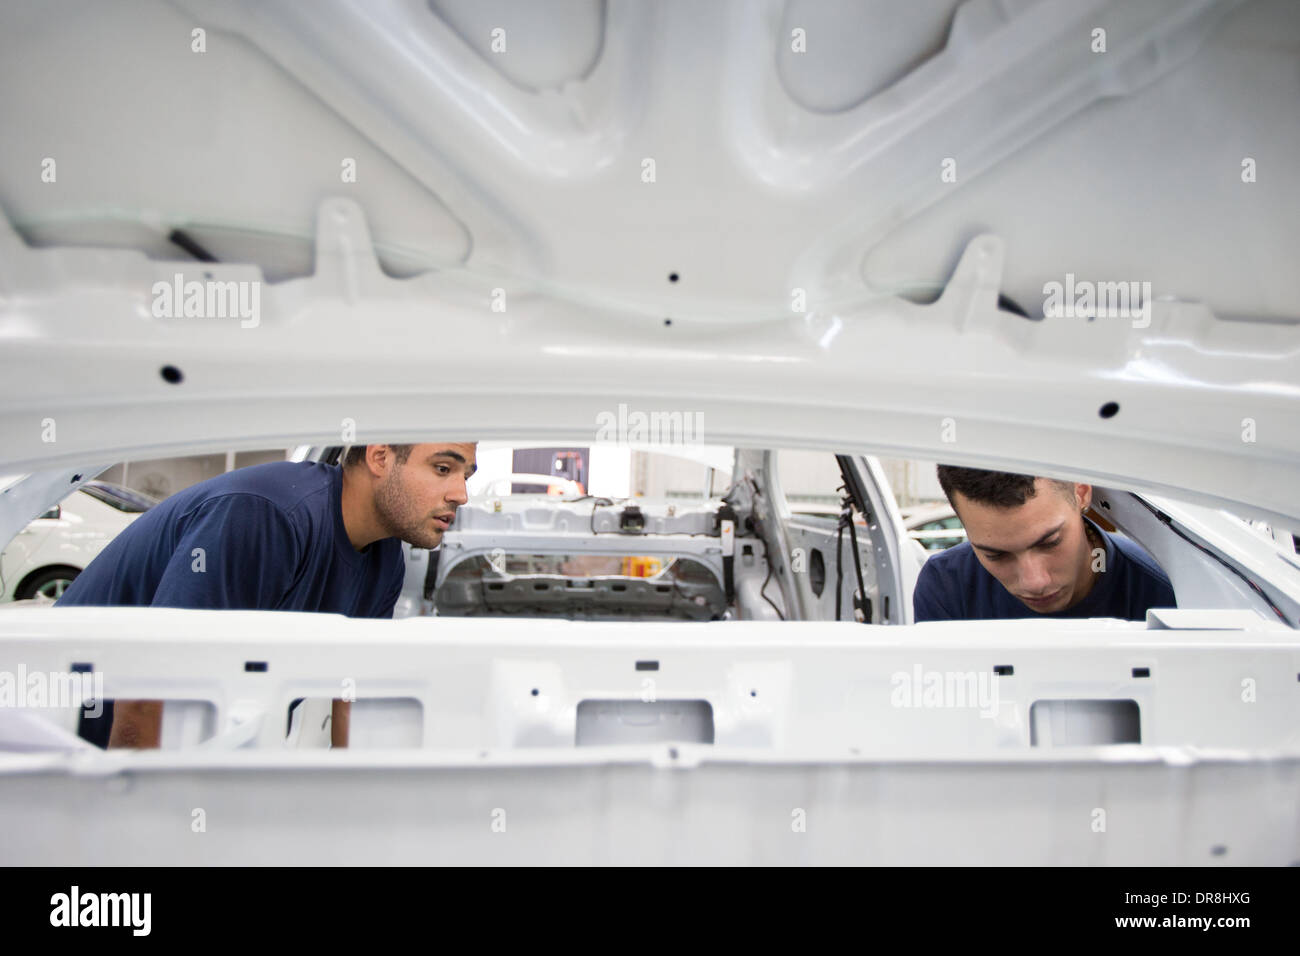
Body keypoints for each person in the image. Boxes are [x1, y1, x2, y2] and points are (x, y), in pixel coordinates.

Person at [56, 442, 477, 748]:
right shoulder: (263, 514)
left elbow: (350, 691)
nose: (461, 493)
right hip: (66, 745)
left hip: (193, 748)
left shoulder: (385, 557)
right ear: (380, 456)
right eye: (443, 469)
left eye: (465, 476)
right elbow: (150, 688)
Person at [912, 465, 1175, 622]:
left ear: (1081, 492)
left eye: (1050, 542)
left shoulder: (1166, 591)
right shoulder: (946, 587)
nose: (1034, 582)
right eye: (995, 555)